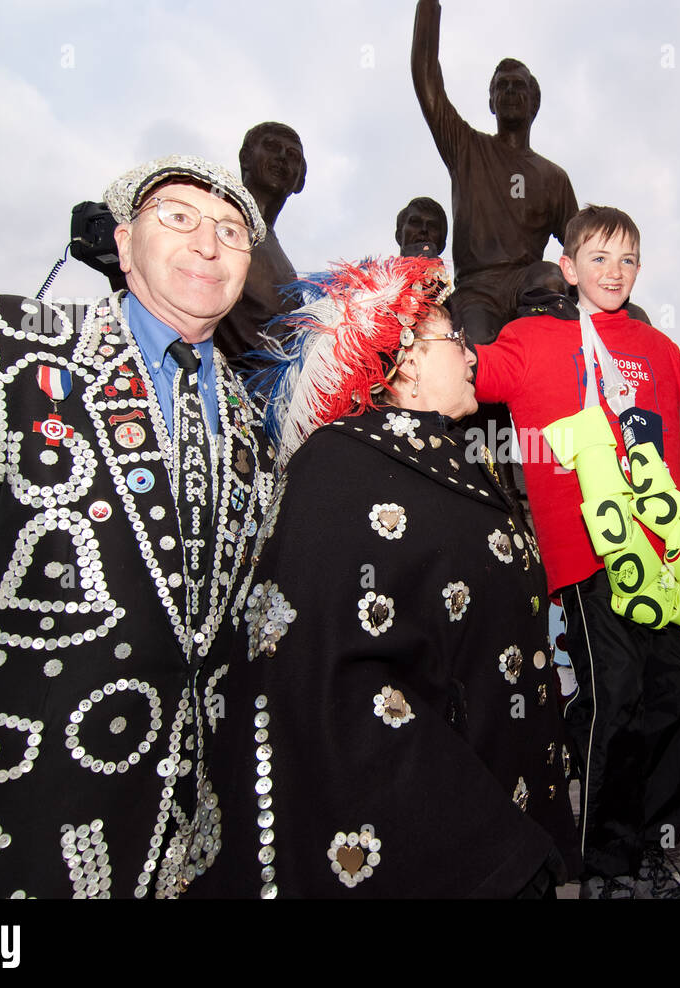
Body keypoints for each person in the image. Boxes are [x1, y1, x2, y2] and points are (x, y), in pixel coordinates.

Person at [0, 154, 275, 898]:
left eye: (231, 231)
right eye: (178, 218)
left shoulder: (257, 431)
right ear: (123, 244)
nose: (208, 245)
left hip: (187, 861)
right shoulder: (0, 348)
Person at [196, 257, 578, 897]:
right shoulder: (338, 469)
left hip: (508, 810)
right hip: (440, 834)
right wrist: (470, 820)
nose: (470, 353)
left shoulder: (456, 460)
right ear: (402, 363)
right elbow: (325, 676)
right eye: (453, 339)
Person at [473, 204, 680, 897]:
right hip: (589, 558)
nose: (615, 272)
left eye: (628, 259)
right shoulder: (528, 340)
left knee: (669, 704)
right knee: (616, 699)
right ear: (569, 268)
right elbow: (468, 372)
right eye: (599, 258)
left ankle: (656, 849)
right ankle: (607, 866)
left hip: (664, 561)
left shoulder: (649, 343)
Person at [411, 0, 577, 345]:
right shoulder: (466, 148)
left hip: (528, 282)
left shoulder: (553, 177)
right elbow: (426, 77)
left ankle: (549, 375)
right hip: (477, 287)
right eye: (502, 86)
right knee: (475, 345)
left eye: (519, 86)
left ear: (535, 101)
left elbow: (581, 246)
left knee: (551, 278)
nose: (511, 92)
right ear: (491, 102)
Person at [218, 122, 307, 376]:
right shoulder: (213, 226)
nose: (281, 157)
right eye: (271, 146)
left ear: (300, 180)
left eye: (293, 156)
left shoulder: (284, 264)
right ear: (245, 157)